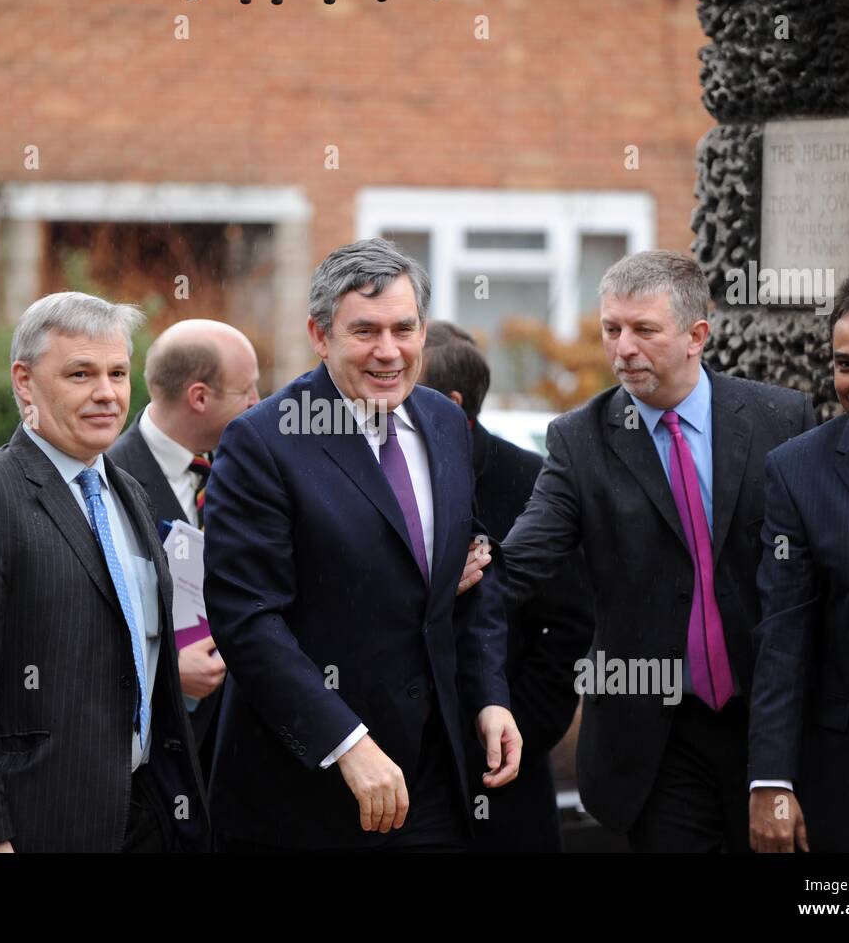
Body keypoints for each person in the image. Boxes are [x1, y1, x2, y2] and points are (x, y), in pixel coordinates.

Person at [203, 238, 521, 852]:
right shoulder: (262, 442)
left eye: (404, 329)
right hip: (303, 792)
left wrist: (489, 699)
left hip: (431, 781)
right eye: (364, 331)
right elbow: (248, 620)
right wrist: (345, 743)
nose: (388, 351)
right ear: (319, 336)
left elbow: (476, 571)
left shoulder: (446, 422)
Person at [502, 250, 813, 852]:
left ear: (698, 335)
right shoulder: (579, 440)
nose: (622, 348)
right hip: (656, 741)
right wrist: (461, 567)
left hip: (770, 721)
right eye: (611, 329)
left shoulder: (781, 420)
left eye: (644, 330)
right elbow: (522, 563)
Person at [0, 292, 206, 852]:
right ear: (24, 381)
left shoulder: (128, 493)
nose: (107, 393)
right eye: (80, 373)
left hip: (139, 815)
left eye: (117, 372)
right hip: (32, 823)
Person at [749, 268, 849, 853]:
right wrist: (771, 779)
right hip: (843, 766)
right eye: (846, 365)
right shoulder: (798, 470)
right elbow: (783, 633)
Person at [421, 320, 593, 853]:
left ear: (452, 405)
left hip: (504, 779)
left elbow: (566, 627)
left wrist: (505, 729)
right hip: (396, 769)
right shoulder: (374, 470)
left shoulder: (533, 484)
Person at [108, 318, 260, 783]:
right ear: (199, 397)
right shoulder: (106, 483)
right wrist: (166, 674)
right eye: (247, 391)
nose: (259, 403)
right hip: (156, 770)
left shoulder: (250, 469)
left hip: (243, 753)